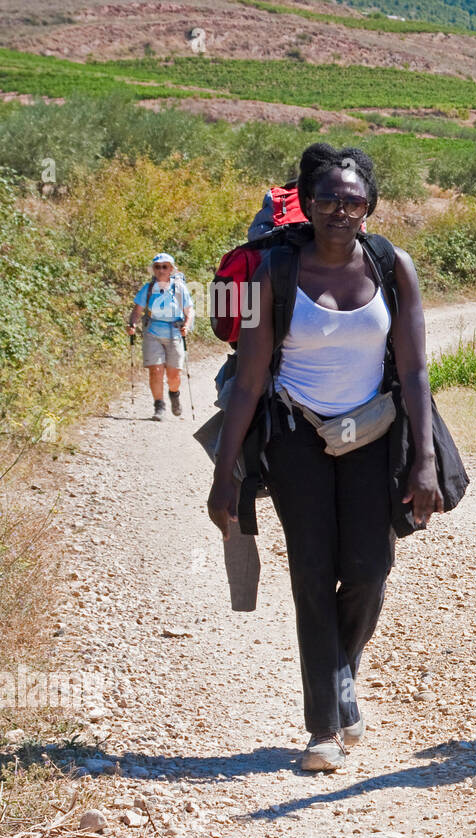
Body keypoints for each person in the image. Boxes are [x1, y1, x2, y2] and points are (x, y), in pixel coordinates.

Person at [206, 144, 442, 772]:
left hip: (372, 439)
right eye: (329, 199)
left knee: (368, 571)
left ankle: (341, 680)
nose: (342, 209)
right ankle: (325, 728)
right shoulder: (271, 275)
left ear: (371, 207)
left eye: (354, 200)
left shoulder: (394, 267)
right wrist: (224, 473)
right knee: (312, 575)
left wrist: (424, 460)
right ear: (308, 204)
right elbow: (252, 379)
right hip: (294, 441)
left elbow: (416, 370)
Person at [127, 253, 194, 421]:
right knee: (156, 371)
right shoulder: (148, 289)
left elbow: (189, 310)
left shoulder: (179, 288)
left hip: (175, 333)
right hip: (153, 333)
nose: (161, 270)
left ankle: (174, 394)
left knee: (173, 375)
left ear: (171, 269)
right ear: (154, 269)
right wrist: (132, 324)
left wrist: (186, 324)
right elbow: (137, 311)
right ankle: (159, 406)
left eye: (165, 267)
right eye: (157, 267)